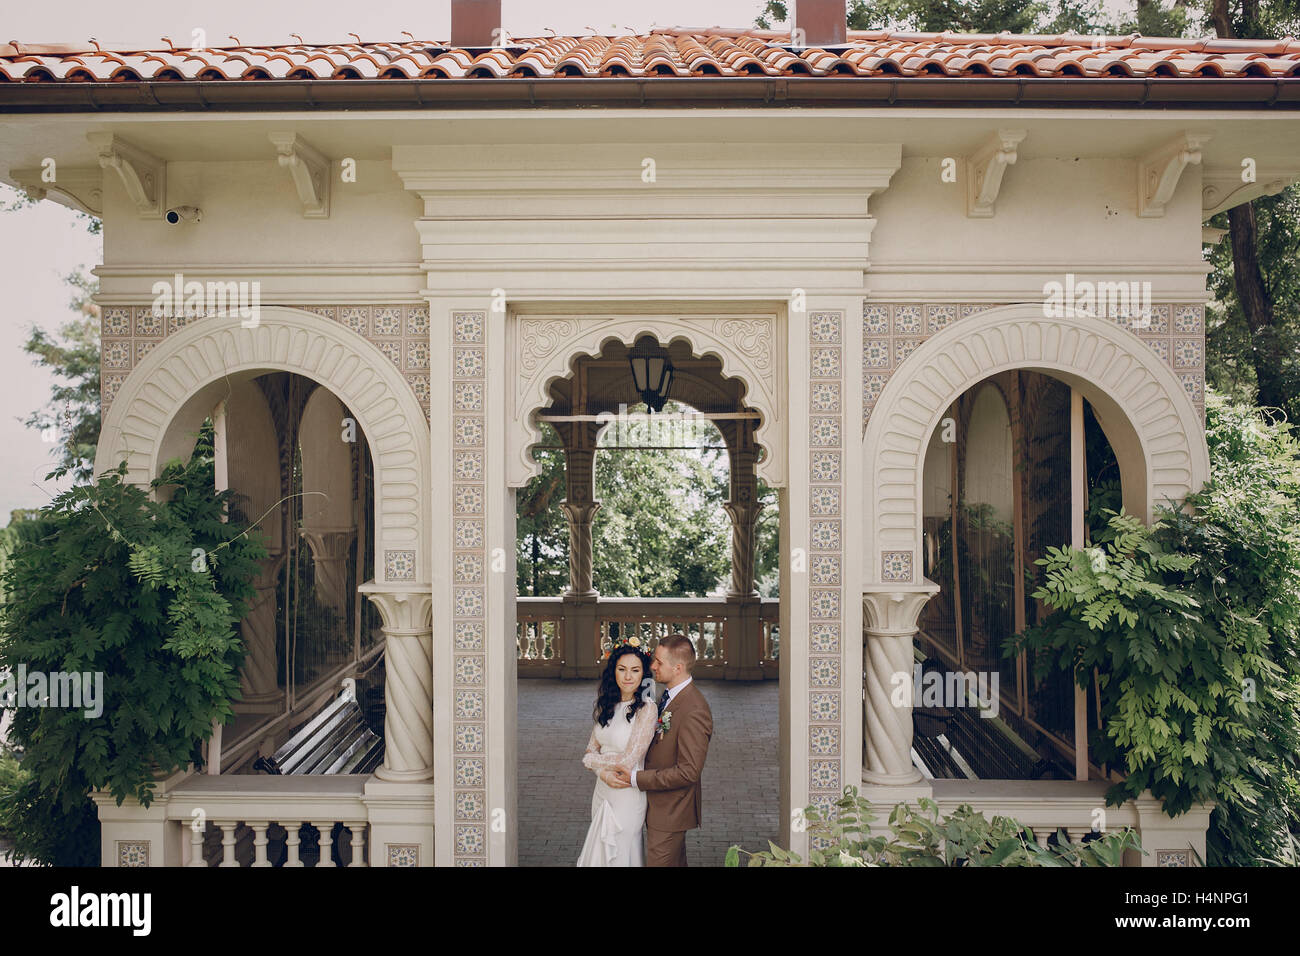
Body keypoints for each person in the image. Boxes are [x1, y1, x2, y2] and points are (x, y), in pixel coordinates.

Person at [607, 633, 713, 867]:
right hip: (658, 807)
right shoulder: (669, 697)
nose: (652, 666)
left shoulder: (694, 710)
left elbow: (688, 772)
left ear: (678, 668)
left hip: (671, 812)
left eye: (658, 662)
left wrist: (636, 778)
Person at [576, 636, 657, 866]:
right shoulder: (608, 705)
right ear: (614, 672)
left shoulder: (647, 709)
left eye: (635, 670)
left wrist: (593, 761)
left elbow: (628, 759)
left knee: (621, 853)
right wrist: (602, 773)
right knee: (600, 853)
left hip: (627, 794)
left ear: (643, 674)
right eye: (622, 669)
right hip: (602, 791)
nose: (628, 676)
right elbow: (590, 749)